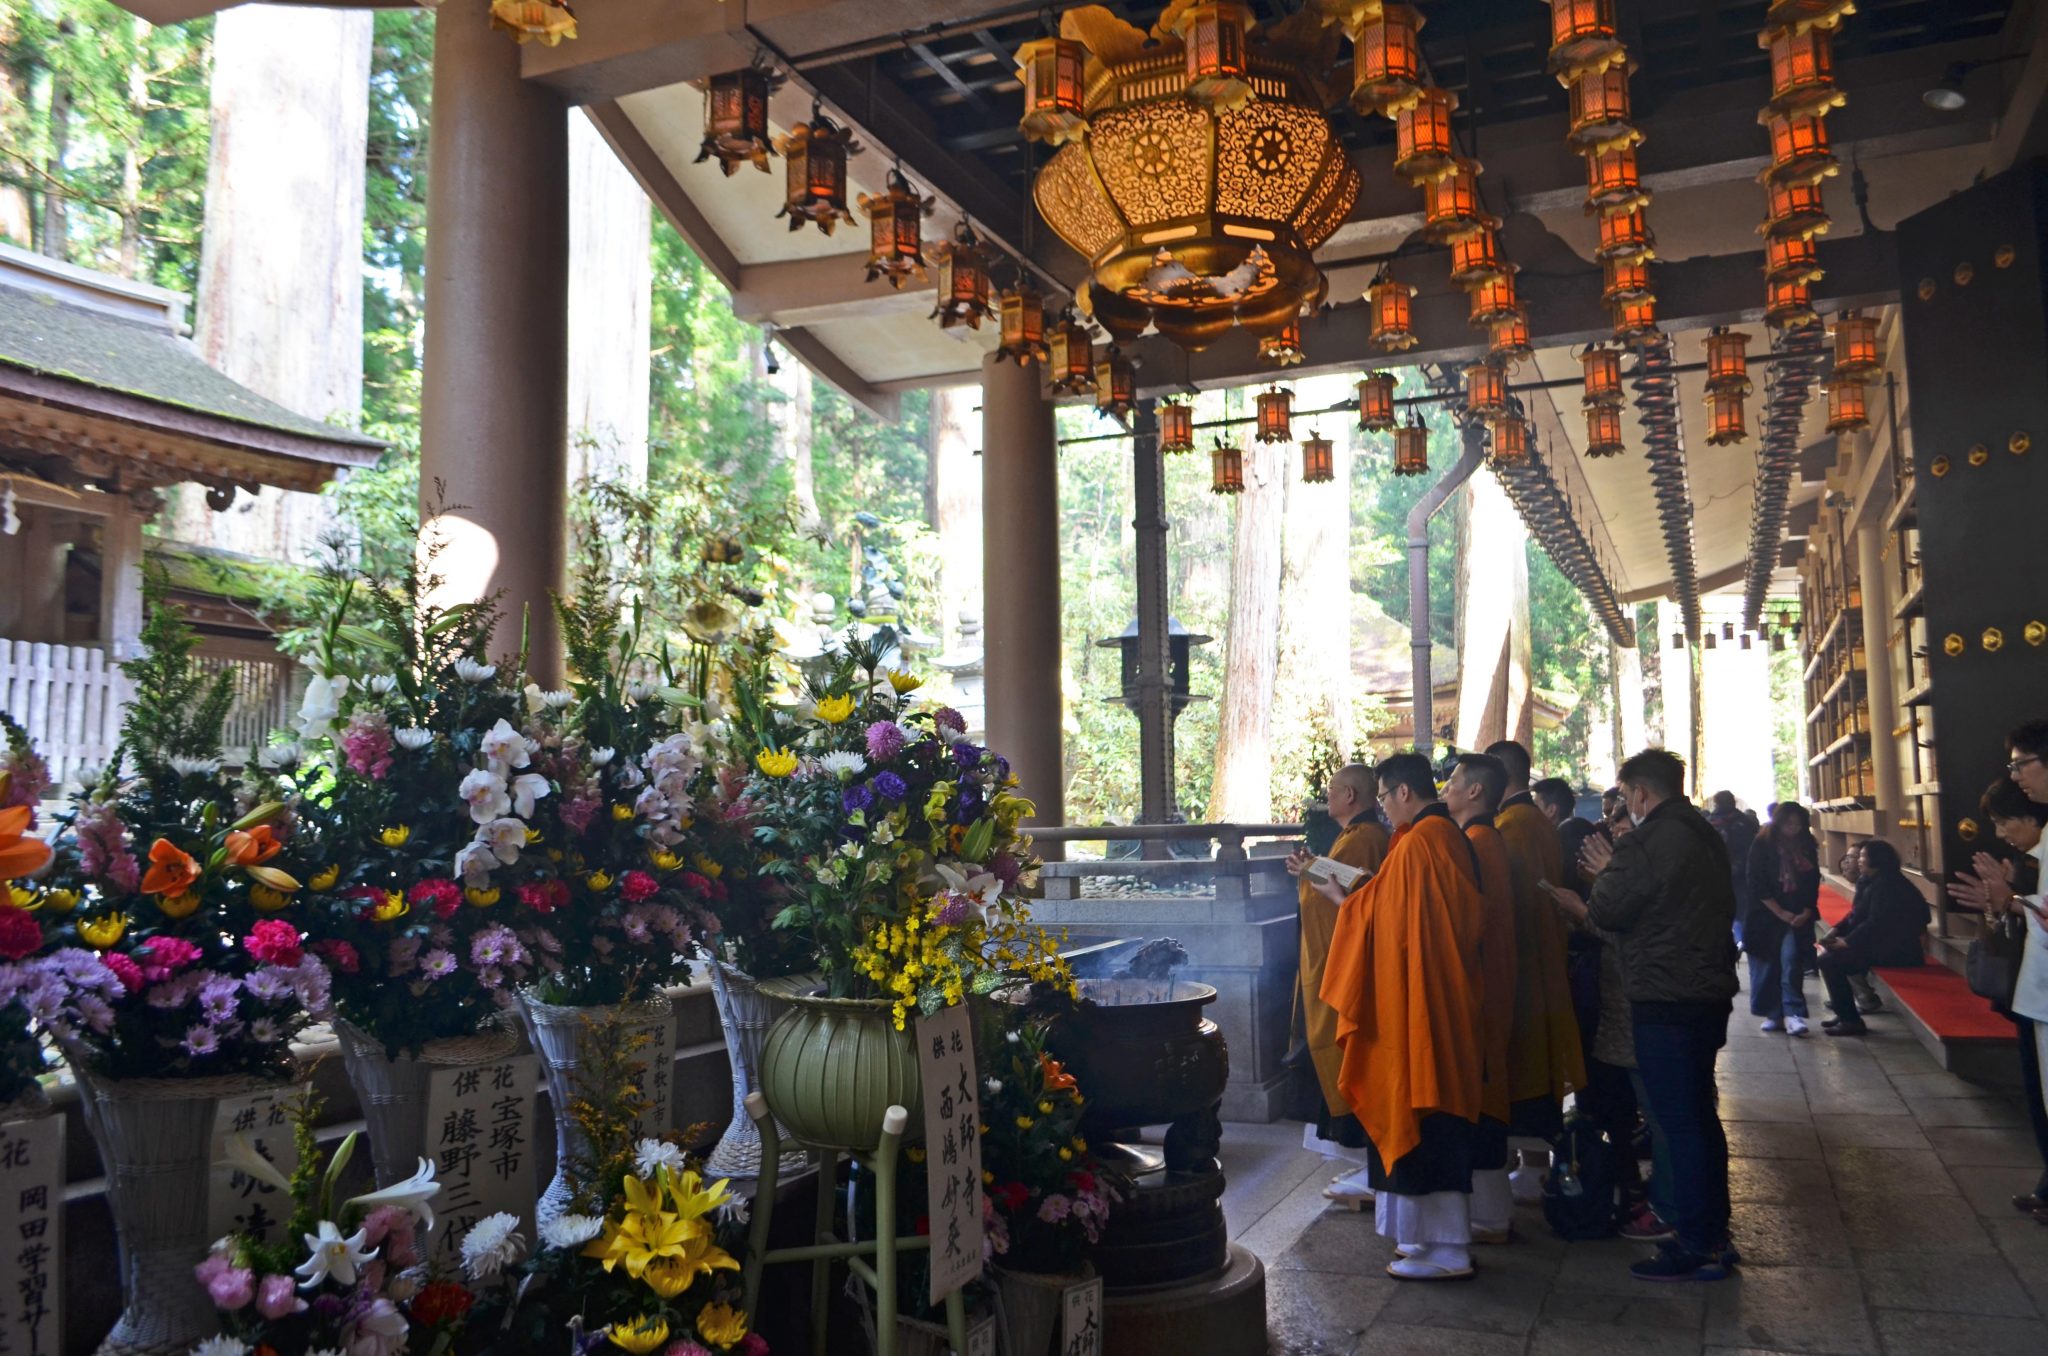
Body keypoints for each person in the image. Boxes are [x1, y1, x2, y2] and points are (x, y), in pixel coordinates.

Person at [1551, 748, 1740, 1282]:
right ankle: (1710, 1230)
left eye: (1625, 796)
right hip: (1703, 991)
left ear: (1638, 792)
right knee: (1697, 1117)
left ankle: (1696, 1239)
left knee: (1678, 1123)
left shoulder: (1649, 840)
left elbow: (1608, 910)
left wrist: (1609, 869)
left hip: (1666, 995)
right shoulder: (1701, 831)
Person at [1309, 752, 1486, 1280]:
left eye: (1384, 797)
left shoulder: (1421, 843)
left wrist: (1343, 902)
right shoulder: (1440, 837)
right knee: (1431, 1116)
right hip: (1433, 1001)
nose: (1383, 808)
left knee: (1424, 1113)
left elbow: (1389, 923)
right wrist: (1352, 902)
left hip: (1421, 1009)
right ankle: (1425, 1239)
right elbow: (1400, 915)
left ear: (1402, 793)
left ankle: (1449, 1248)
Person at [1947, 748, 2048, 1223]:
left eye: (2007, 821)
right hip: (2030, 994)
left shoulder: (2033, 863)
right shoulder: (2025, 861)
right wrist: (1998, 906)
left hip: (2041, 994)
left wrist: (2011, 901)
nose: (2002, 833)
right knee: (2039, 1094)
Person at [1285, 763, 1391, 1205]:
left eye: (1331, 789)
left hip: (1343, 966)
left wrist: (1308, 877)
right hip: (1340, 961)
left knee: (1344, 1053)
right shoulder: (1358, 837)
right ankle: (1365, 1165)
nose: (1326, 796)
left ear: (1350, 795)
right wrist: (1310, 871)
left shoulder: (1364, 838)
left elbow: (1344, 899)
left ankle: (1370, 1165)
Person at [1483, 740, 1585, 1197]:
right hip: (1542, 957)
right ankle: (1532, 1162)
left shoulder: (1513, 826)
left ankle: (1531, 1162)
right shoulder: (1534, 822)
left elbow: (1508, 903)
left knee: (1522, 1064)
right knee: (1534, 1061)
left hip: (1521, 963)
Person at [1442, 753, 1519, 1245]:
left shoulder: (1477, 842)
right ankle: (1491, 1212)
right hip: (1491, 984)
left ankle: (1490, 1216)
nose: (1445, 788)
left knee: (1480, 1103)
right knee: (1484, 1099)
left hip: (1481, 987)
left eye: (1452, 781)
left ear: (1475, 792)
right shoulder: (1484, 838)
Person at [1814, 839, 1928, 1036]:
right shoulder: (1873, 881)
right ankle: (1845, 1013)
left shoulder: (1889, 885)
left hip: (1899, 950)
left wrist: (1847, 942)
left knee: (1830, 961)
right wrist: (1837, 931)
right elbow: (1856, 915)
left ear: (1878, 860)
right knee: (1831, 956)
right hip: (1883, 944)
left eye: (1863, 857)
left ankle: (1850, 1020)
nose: (1859, 861)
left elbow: (1876, 923)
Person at [1744, 802, 1821, 1037]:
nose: (1794, 828)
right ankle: (1774, 1013)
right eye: (1789, 823)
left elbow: (1813, 879)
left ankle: (1794, 1012)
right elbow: (1756, 882)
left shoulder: (1807, 844)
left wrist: (1807, 909)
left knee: (1791, 962)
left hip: (1797, 913)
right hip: (1767, 915)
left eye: (1798, 824)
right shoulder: (1762, 844)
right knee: (1768, 966)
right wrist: (1779, 912)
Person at [1707, 791, 1759, 948]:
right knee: (1742, 909)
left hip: (1716, 873)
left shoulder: (1709, 823)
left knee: (1719, 908)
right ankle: (1742, 940)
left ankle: (1722, 940)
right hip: (1743, 871)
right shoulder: (1746, 822)